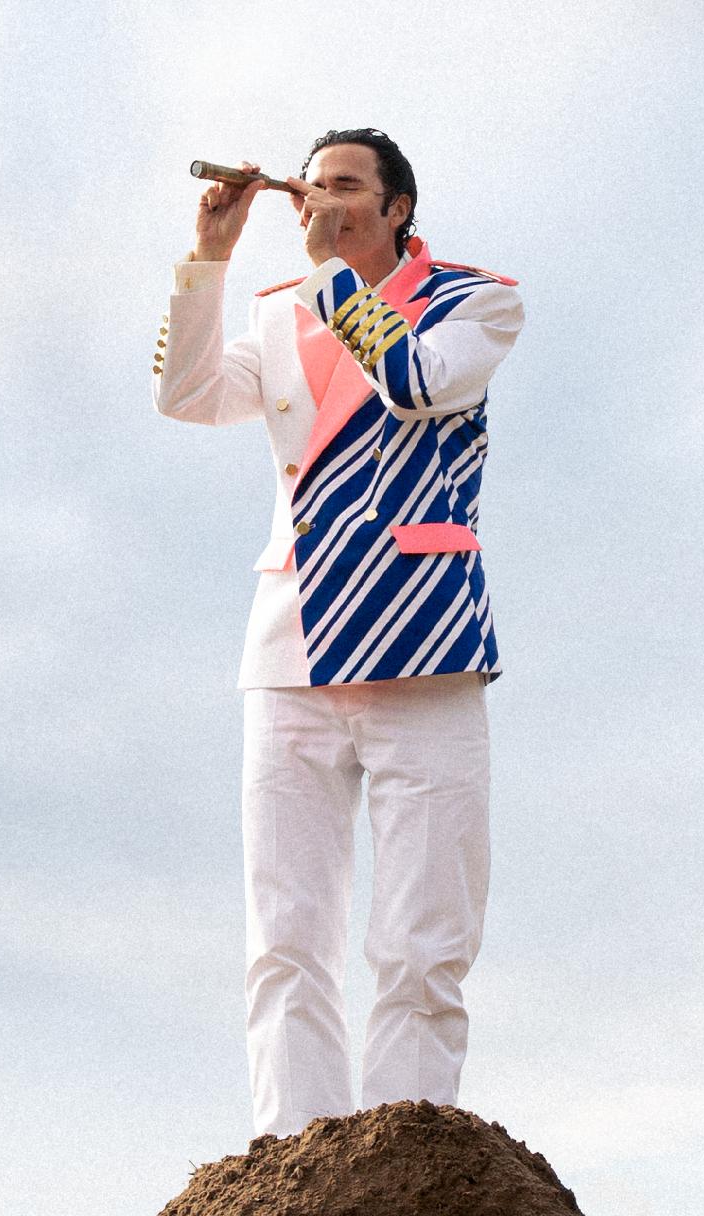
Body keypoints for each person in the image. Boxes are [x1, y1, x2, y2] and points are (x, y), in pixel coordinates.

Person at [154, 128, 524, 1139]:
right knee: (285, 933)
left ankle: (405, 1153)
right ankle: (297, 1158)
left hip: (423, 639)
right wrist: (210, 259)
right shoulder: (279, 311)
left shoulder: (476, 301)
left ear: (397, 207)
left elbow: (417, 384)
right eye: (313, 186)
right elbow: (185, 396)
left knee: (422, 938)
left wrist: (328, 278)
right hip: (290, 644)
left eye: (347, 186)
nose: (321, 200)